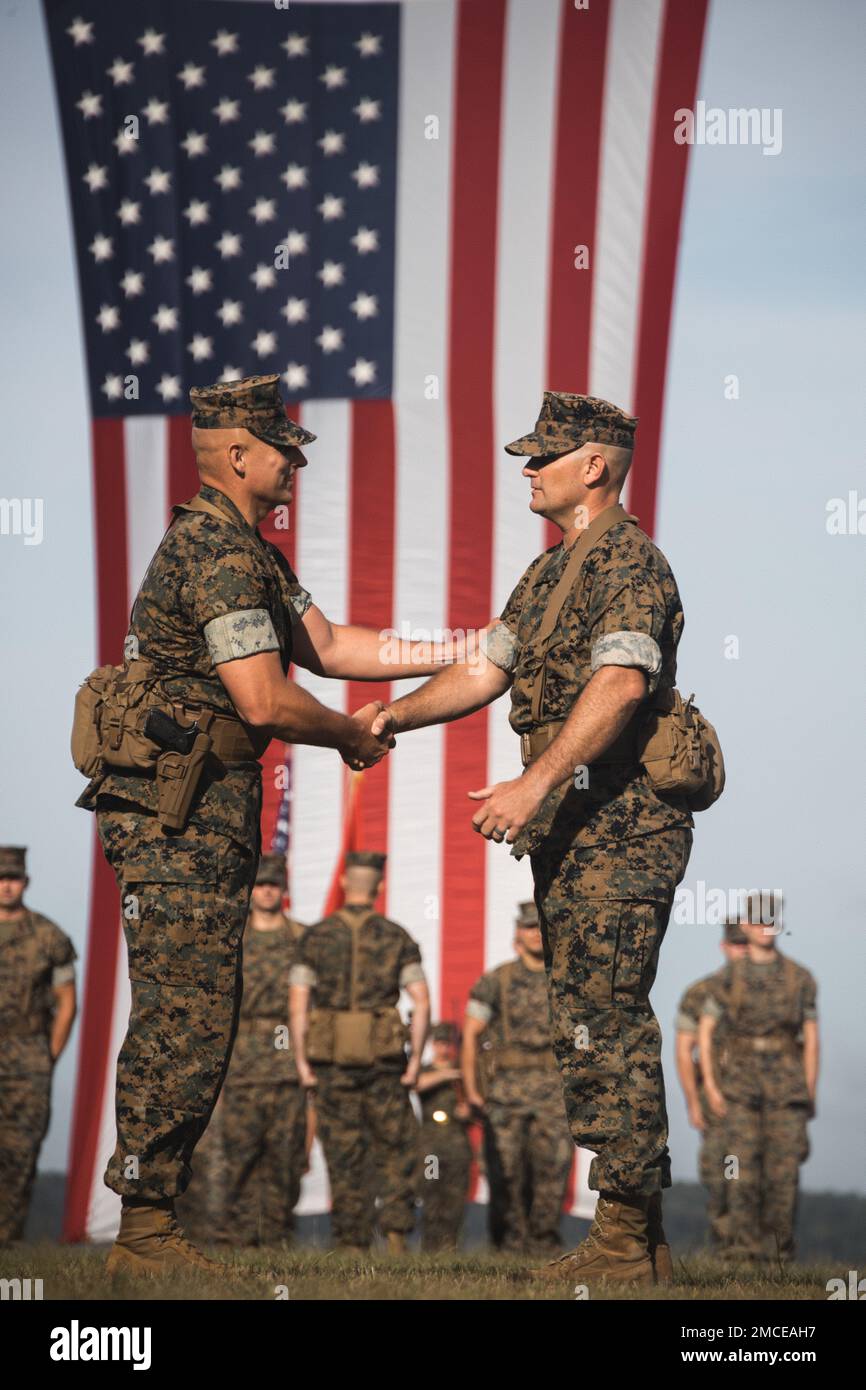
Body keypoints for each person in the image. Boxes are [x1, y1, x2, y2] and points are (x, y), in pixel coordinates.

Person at [76, 373, 462, 1276]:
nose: (295, 460)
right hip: (177, 825)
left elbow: (329, 648)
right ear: (238, 456)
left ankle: (151, 1222)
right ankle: (144, 1228)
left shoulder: (252, 553)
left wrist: (460, 648)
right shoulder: (213, 550)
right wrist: (349, 738)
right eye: (283, 447)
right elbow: (263, 698)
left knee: (198, 1012)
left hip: (205, 823)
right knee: (185, 1015)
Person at [372, 392, 695, 1284]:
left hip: (623, 830)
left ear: (594, 465)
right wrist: (388, 719)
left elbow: (623, 683)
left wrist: (534, 781)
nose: (526, 468)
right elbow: (486, 666)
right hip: (576, 836)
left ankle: (626, 1240)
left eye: (542, 455)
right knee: (589, 1018)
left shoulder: (633, 564)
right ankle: (644, 1244)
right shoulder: (550, 573)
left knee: (606, 1018)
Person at [290, 851, 430, 1253]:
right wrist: (415, 1061)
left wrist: (302, 1063)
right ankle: (396, 1234)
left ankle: (351, 1240)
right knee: (397, 1148)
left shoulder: (313, 938)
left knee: (343, 1151)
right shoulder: (396, 936)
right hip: (384, 1062)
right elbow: (421, 1002)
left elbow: (298, 1006)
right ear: (379, 886)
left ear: (344, 883)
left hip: (330, 1062)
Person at [180, 852, 309, 1245]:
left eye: (275, 884)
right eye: (262, 884)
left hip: (288, 1065)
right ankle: (233, 1241)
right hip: (239, 1063)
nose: (268, 891)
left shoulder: (304, 939)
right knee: (235, 1158)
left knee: (285, 1160)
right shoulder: (232, 938)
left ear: (283, 890)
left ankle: (276, 1239)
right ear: (252, 890)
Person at [698, 892, 818, 1264]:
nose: (765, 928)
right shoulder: (727, 978)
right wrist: (713, 1089)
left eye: (771, 920)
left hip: (786, 1087)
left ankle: (778, 1256)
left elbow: (811, 1038)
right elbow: (704, 1033)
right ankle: (741, 1255)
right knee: (740, 1171)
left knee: (783, 1174)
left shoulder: (800, 978)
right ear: (746, 925)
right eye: (758, 921)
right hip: (739, 1088)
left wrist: (808, 1092)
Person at [462, 902, 571, 1255]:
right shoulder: (497, 980)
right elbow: (471, 1035)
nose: (535, 933)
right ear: (516, 936)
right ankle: (507, 1246)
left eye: (540, 927)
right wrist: (472, 1089)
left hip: (555, 1092)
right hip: (506, 1092)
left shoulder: (565, 981)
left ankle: (544, 1244)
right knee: (504, 1171)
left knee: (552, 1171)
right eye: (528, 927)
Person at [0, 846, 77, 1244]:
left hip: (27, 1054)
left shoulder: (49, 936)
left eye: (12, 878)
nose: (6, 885)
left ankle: (7, 1238)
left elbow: (67, 1000)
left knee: (19, 1150)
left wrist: (48, 1055)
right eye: (1, 878)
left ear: (25, 883)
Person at [675, 920, 748, 1250]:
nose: (742, 951)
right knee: (722, 1176)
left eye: (747, 944)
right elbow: (683, 1048)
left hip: (765, 1101)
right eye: (736, 944)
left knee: (767, 1178)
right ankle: (729, 1251)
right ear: (724, 947)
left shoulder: (783, 987)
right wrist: (692, 1101)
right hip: (717, 1101)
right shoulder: (702, 992)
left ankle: (766, 1256)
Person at [416, 1021, 472, 1251]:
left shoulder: (464, 1075)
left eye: (448, 1044)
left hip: (457, 1143)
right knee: (431, 1196)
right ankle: (429, 1247)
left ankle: (450, 1246)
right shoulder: (426, 1071)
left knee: (455, 1199)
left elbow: (478, 1102)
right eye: (440, 1043)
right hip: (431, 1145)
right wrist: (447, 1074)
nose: (444, 1049)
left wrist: (468, 1109)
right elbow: (417, 1085)